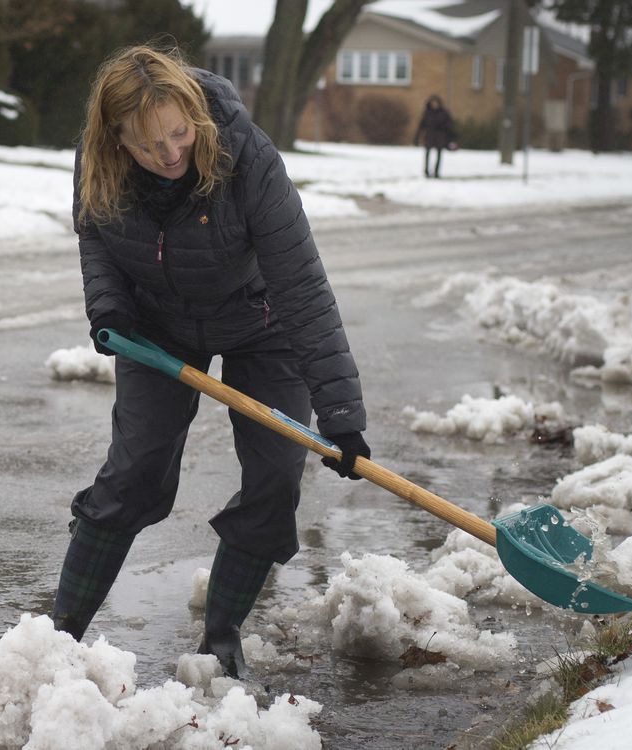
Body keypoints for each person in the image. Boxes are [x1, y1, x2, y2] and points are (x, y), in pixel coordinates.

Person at [50, 44, 370, 679]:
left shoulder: (248, 159)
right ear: (115, 139)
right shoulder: (99, 161)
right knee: (136, 470)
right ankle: (58, 637)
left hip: (260, 322)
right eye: (147, 145)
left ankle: (221, 636)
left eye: (178, 132)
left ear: (193, 111)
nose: (170, 153)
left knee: (278, 476)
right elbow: (97, 235)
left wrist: (339, 413)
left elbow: (301, 287)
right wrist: (110, 307)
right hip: (155, 325)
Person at [413, 95, 457, 178]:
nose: (434, 105)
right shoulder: (427, 113)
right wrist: (417, 137)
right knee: (427, 153)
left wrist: (451, 138)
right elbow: (421, 126)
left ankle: (436, 172)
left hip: (440, 136)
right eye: (433, 103)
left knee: (439, 154)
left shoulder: (444, 113)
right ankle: (426, 171)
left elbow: (450, 126)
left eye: (436, 103)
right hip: (429, 136)